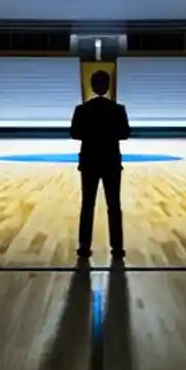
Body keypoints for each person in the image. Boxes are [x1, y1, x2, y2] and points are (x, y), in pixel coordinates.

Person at [69, 70, 130, 260]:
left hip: (89, 161)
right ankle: (117, 248)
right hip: (111, 161)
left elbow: (75, 133)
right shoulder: (118, 109)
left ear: (92, 86)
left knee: (87, 204)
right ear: (108, 86)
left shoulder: (81, 109)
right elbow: (125, 133)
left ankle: (84, 247)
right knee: (114, 205)